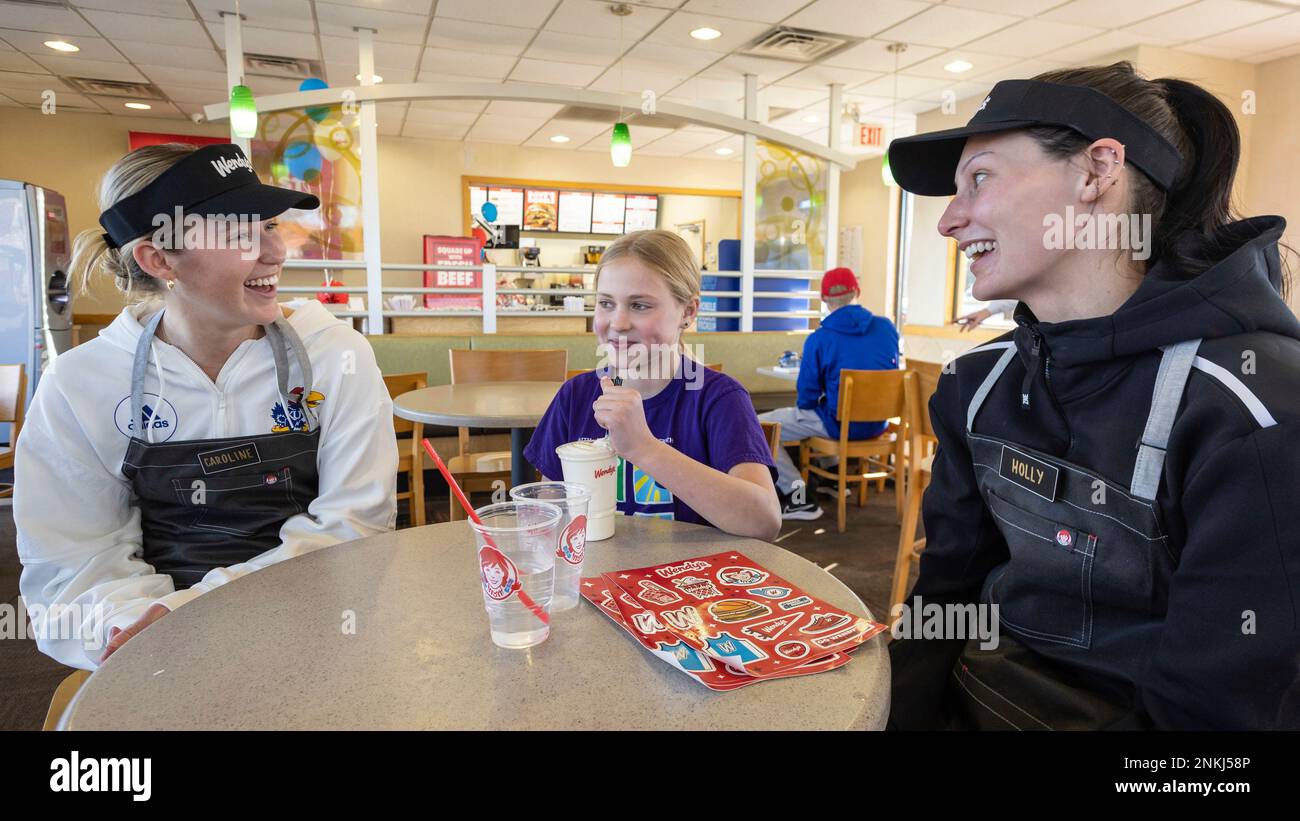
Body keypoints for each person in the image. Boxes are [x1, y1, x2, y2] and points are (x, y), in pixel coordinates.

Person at [884, 63, 1300, 729]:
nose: (950, 220)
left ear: (1096, 172)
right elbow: (944, 603)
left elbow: (1216, 724)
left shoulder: (1257, 409)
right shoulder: (979, 383)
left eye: (979, 178)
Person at [15, 143, 397, 670]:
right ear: (157, 258)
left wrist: (197, 608)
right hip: (155, 652)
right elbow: (71, 560)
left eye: (269, 226)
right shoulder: (79, 384)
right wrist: (139, 627)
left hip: (317, 632)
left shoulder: (335, 356)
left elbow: (355, 524)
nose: (275, 251)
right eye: (240, 233)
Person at [524, 230, 781, 541]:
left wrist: (642, 447)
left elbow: (764, 520)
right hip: (597, 582)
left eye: (640, 305)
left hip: (692, 583)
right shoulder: (575, 396)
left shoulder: (718, 399)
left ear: (688, 312)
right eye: (606, 303)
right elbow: (547, 515)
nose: (617, 323)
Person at [758, 268, 900, 520]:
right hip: (880, 424)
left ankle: (798, 499)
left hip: (839, 425)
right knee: (826, 410)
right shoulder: (887, 328)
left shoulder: (820, 338)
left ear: (823, 299)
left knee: (761, 426)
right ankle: (834, 479)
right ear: (857, 292)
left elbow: (807, 397)